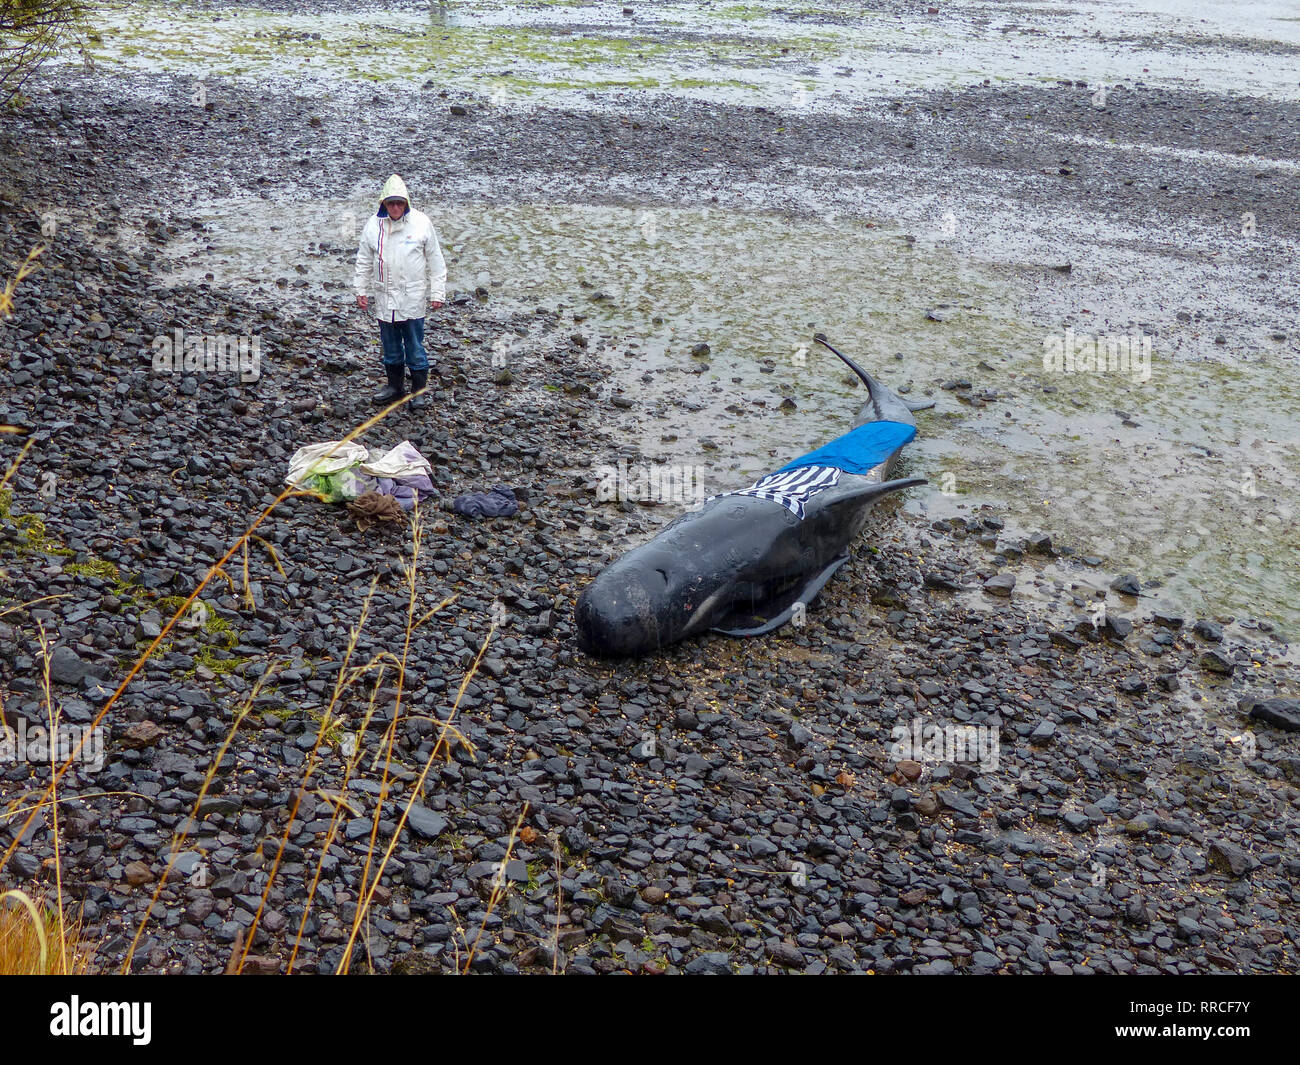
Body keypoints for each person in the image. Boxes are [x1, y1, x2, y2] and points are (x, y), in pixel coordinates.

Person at [353, 175, 447, 410]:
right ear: (383, 203)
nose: (395, 207)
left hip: (412, 298)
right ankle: (395, 387)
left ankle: (419, 391)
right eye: (391, 203)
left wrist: (438, 293)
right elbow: (364, 260)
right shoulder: (373, 225)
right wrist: (360, 289)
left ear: (406, 203)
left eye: (400, 203)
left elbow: (436, 260)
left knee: (415, 347)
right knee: (391, 347)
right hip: (384, 297)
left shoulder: (422, 223)